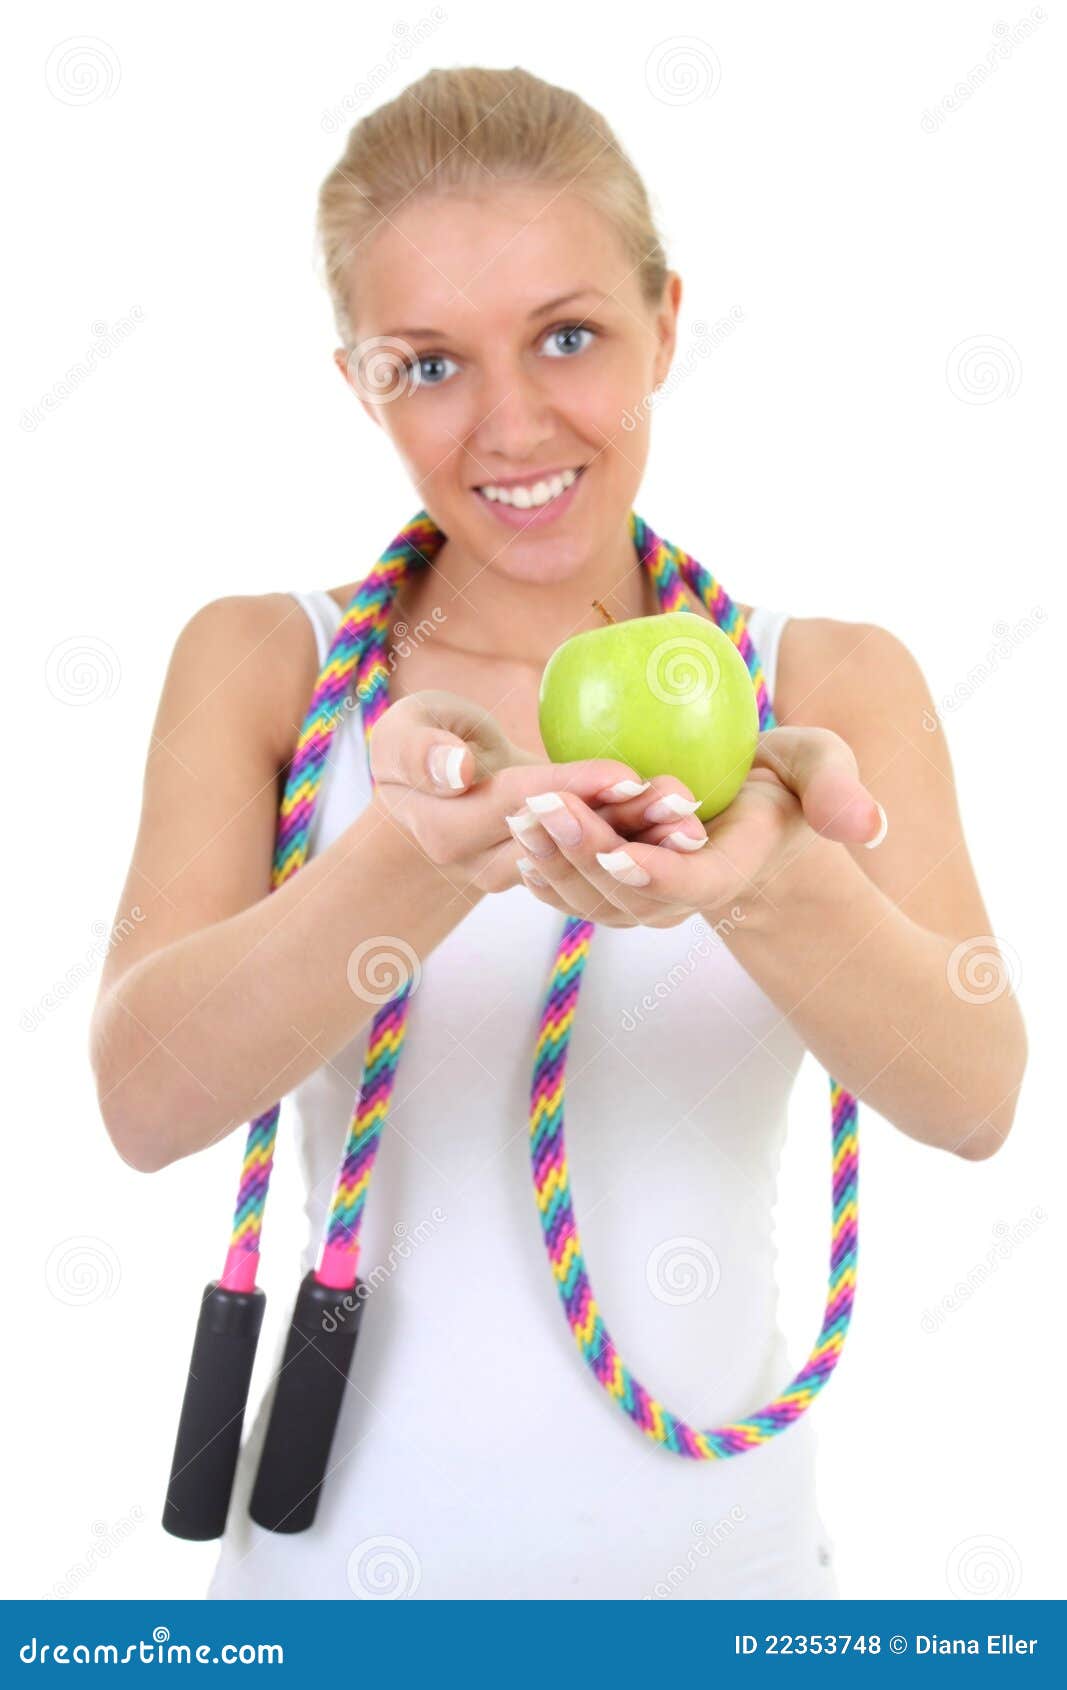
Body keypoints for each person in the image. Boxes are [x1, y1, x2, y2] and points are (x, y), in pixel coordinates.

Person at [89, 65, 1027, 1600]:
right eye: (430, 364)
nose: (512, 422)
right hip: (336, 1607)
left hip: (730, 1601)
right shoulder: (272, 668)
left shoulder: (824, 682)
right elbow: (144, 1101)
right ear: (361, 386)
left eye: (570, 335)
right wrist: (420, 857)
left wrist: (775, 877)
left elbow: (976, 1092)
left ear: (668, 322)